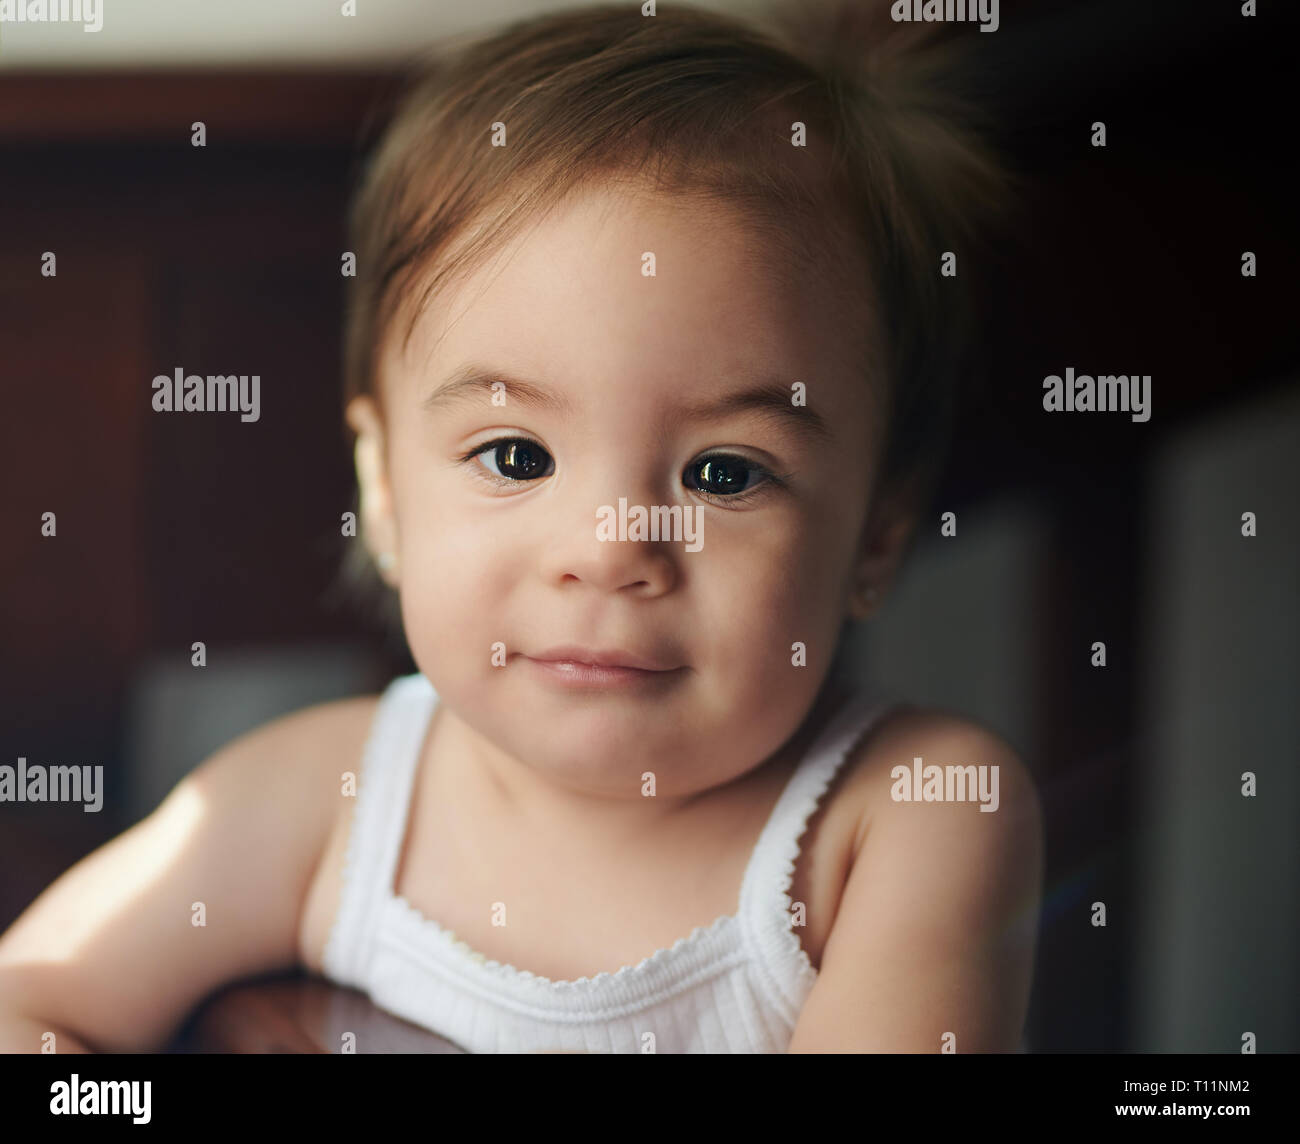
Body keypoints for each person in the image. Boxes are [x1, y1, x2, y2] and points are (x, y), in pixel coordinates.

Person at [0, 0, 1042, 1053]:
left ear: (875, 533)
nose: (608, 548)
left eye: (724, 472)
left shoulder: (903, 815)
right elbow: (30, 1001)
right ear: (389, 491)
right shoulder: (325, 796)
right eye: (515, 456)